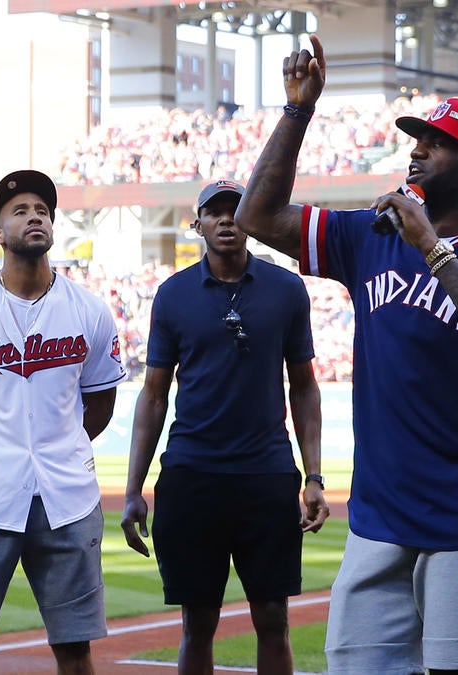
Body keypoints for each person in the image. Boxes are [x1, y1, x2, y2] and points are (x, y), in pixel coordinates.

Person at [235, 36, 458, 674]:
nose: (415, 150)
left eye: (434, 143)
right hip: (379, 514)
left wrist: (433, 250)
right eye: (415, 139)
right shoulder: (370, 235)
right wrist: (298, 112)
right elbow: (258, 214)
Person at [120, 179, 329, 674]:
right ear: (197, 225)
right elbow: (153, 395)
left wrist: (313, 476)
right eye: (213, 212)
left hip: (268, 476)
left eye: (235, 211)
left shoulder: (286, 289)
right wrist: (133, 489)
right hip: (192, 476)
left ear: (252, 220)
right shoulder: (172, 296)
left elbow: (304, 385)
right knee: (198, 620)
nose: (226, 220)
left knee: (273, 616)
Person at [0, 169, 126, 675]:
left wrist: (62, 445)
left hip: (67, 497)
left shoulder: (91, 311)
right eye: (20, 210)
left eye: (43, 210)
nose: (34, 215)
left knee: (76, 650)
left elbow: (100, 404)